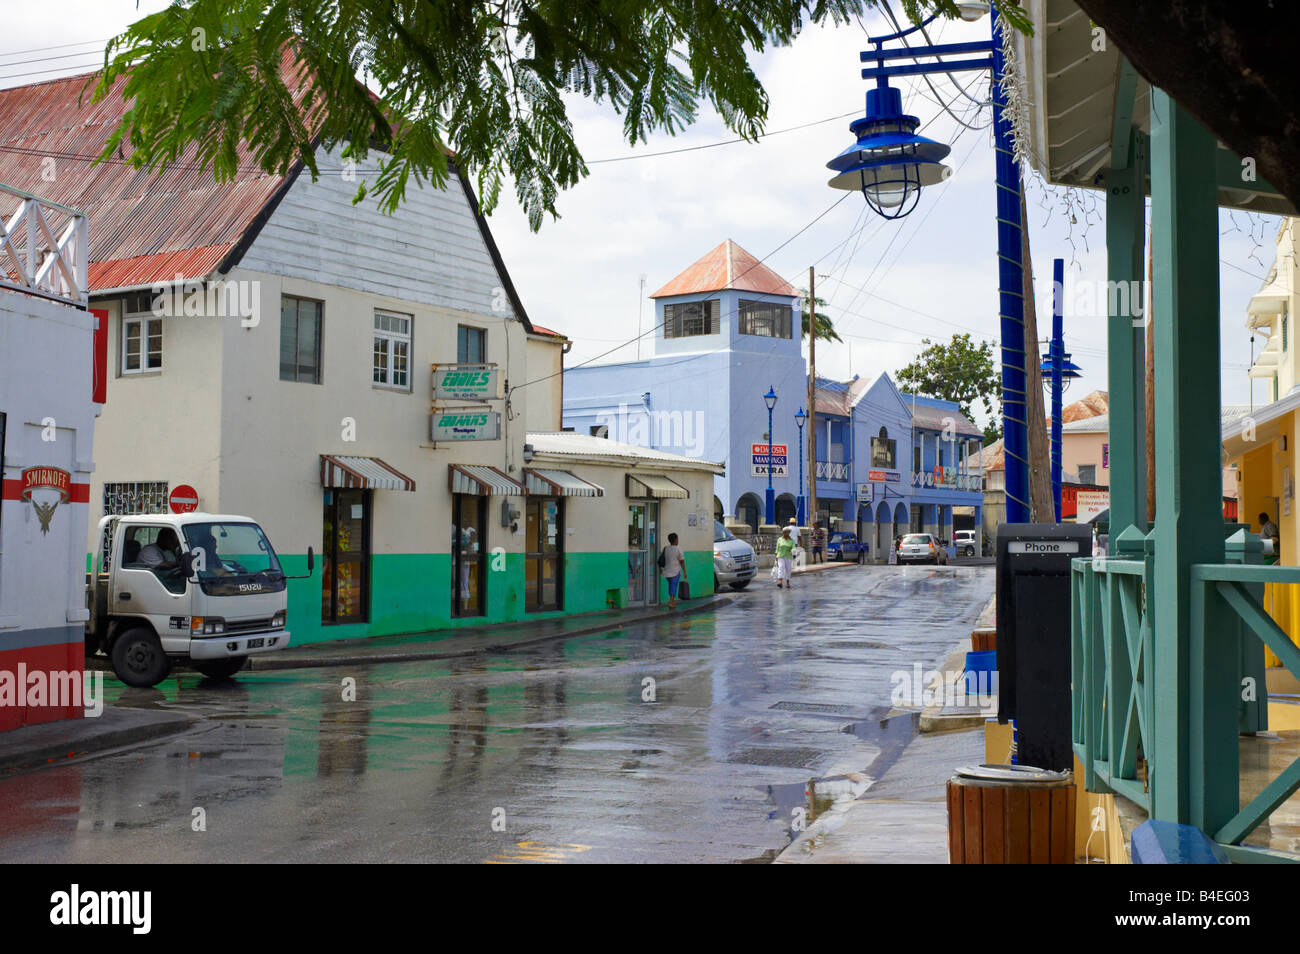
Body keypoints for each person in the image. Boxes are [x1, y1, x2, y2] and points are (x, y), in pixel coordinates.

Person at [660, 532, 687, 609]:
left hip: (667, 571)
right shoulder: (678, 549)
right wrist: (684, 571)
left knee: (671, 586)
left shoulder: (666, 548)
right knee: (673, 586)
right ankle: (671, 602)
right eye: (677, 539)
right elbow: (682, 561)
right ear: (675, 540)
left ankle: (672, 601)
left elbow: (662, 559)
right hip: (675, 571)